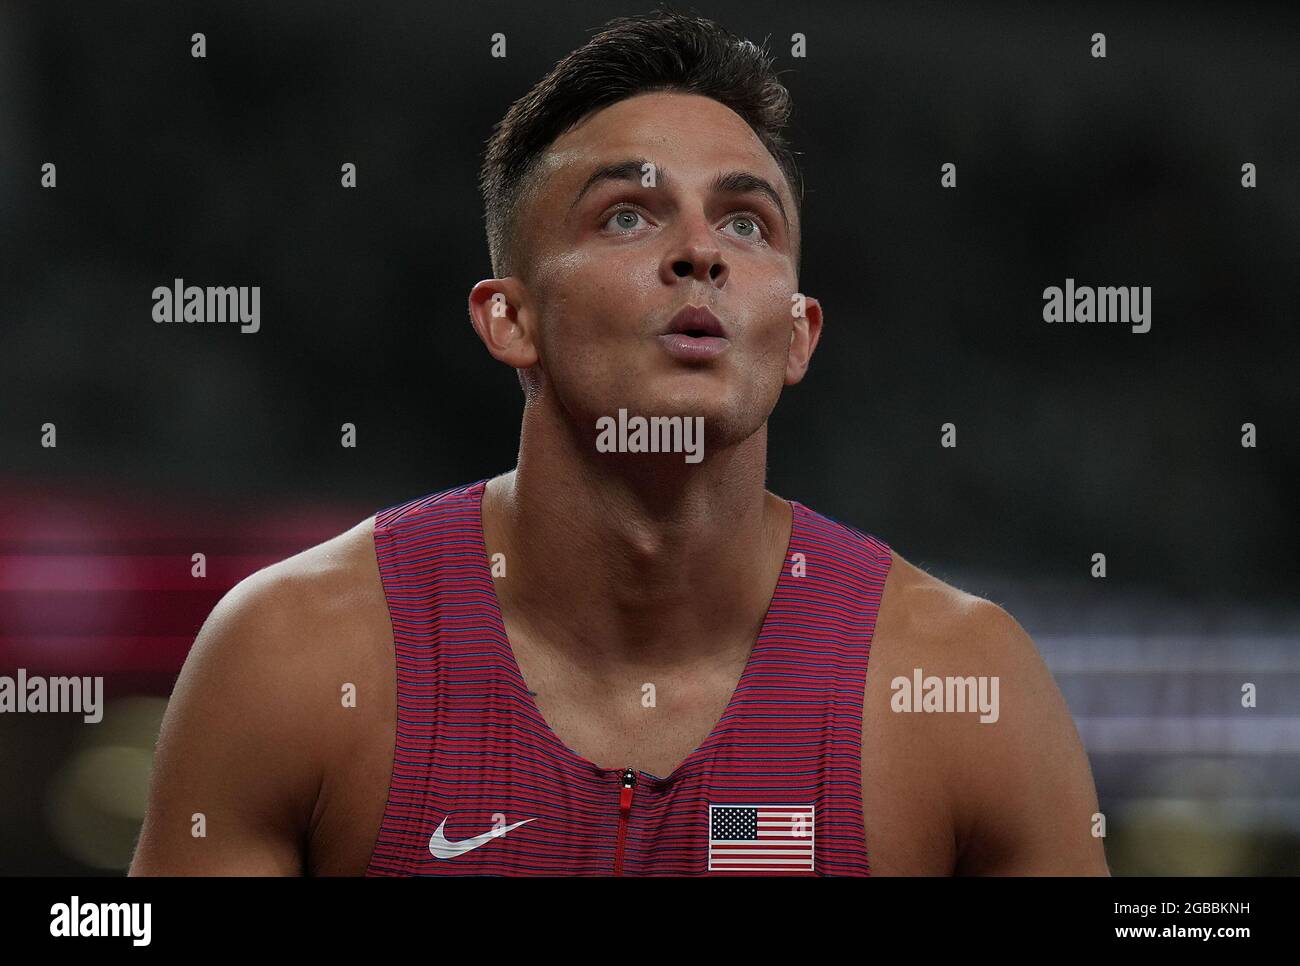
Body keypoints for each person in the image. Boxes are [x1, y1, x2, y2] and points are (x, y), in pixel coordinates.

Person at [130, 11, 1108, 876]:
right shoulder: (295, 654)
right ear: (510, 319)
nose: (700, 251)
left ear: (799, 333)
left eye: (746, 222)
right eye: (628, 215)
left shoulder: (960, 688)